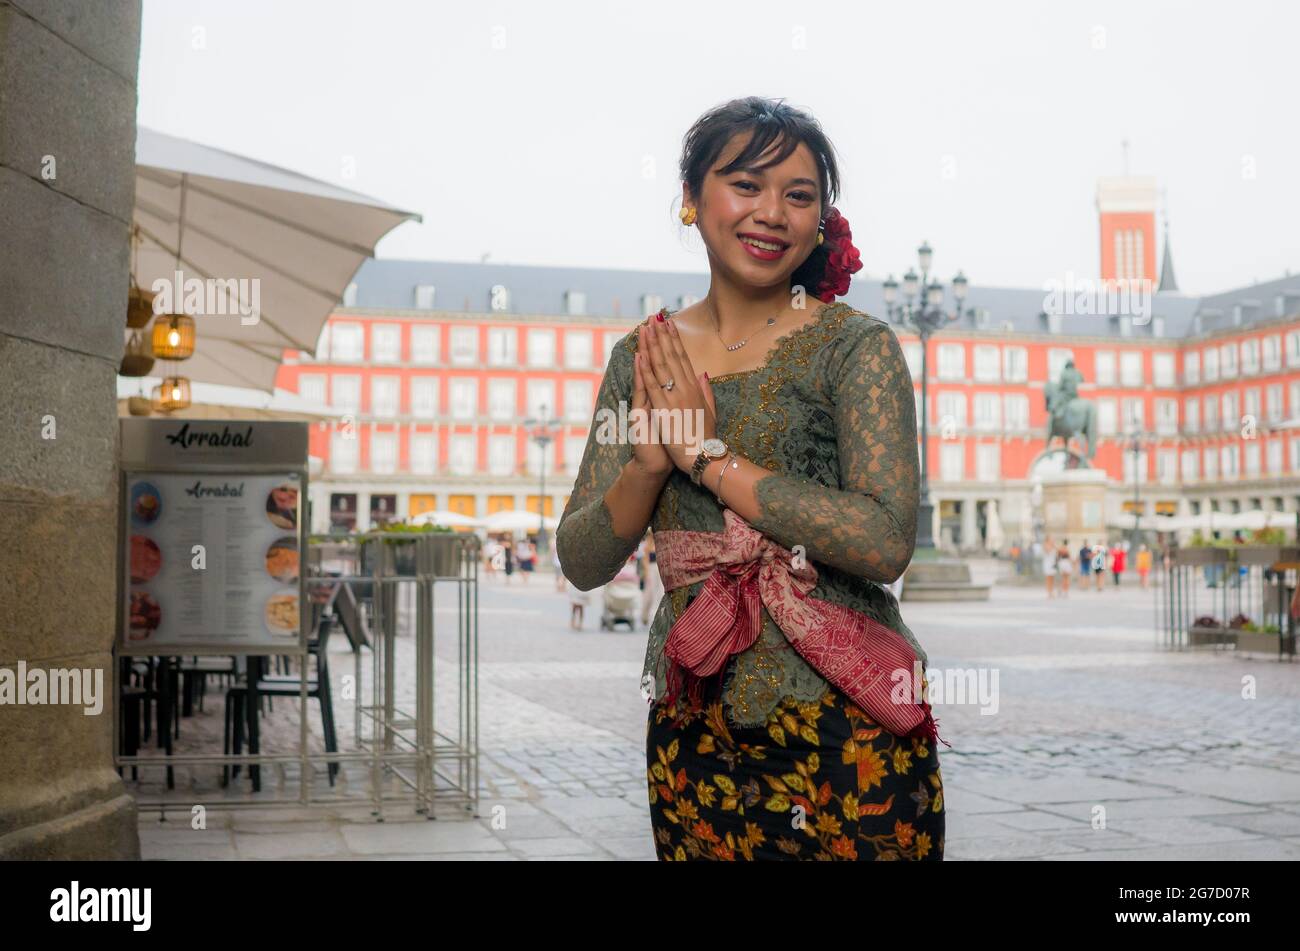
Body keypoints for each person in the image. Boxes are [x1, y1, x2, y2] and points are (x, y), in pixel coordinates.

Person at [554, 98, 943, 861]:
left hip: (849, 722)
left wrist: (706, 457)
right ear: (693, 198)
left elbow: (885, 539)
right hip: (695, 729)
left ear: (821, 220)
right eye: (746, 184)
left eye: (799, 196)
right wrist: (647, 464)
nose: (773, 213)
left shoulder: (855, 348)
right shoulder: (644, 356)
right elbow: (582, 558)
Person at [639, 531, 663, 626]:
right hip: (651, 569)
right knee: (650, 593)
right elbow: (645, 560)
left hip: (659, 569)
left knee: (660, 592)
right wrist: (647, 572)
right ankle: (645, 615)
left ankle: (660, 615)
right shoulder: (647, 546)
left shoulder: (659, 544)